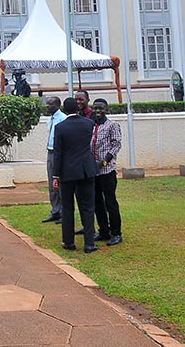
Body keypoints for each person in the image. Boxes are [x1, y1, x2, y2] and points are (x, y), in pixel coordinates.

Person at [52, 97, 98, 253]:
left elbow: (58, 154)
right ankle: (89, 243)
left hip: (67, 171)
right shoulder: (89, 124)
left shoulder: (60, 127)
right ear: (78, 109)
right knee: (88, 207)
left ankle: (68, 241)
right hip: (86, 170)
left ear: (64, 110)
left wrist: (55, 175)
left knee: (67, 207)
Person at [91, 99, 123, 246]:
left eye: (101, 108)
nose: (98, 111)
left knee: (110, 202)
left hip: (107, 170)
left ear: (106, 109)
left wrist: (104, 161)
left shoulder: (112, 125)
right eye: (96, 108)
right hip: (93, 172)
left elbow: (116, 145)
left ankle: (116, 233)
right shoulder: (90, 125)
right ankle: (103, 231)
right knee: (97, 202)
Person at [41, 96, 66, 223]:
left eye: (50, 104)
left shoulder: (62, 119)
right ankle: (55, 211)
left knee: (59, 183)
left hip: (58, 153)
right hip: (50, 152)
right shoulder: (50, 119)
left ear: (57, 105)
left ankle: (63, 212)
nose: (47, 106)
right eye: (47, 104)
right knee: (52, 183)